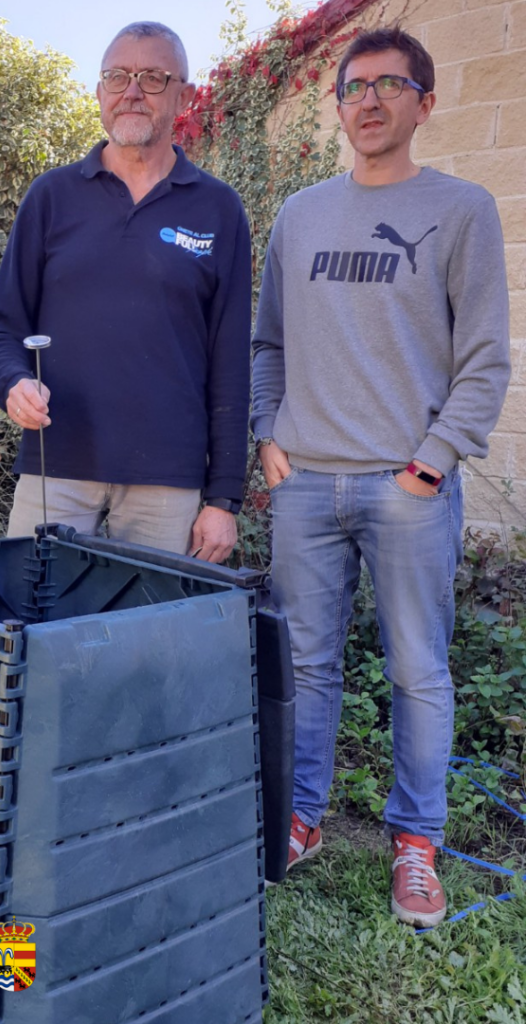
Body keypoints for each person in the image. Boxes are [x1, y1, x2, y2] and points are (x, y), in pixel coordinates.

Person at [251, 27, 510, 927]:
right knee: (308, 667)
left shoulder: (464, 208)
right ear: (340, 106)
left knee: (418, 672)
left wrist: (431, 466)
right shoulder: (300, 215)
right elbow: (268, 344)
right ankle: (303, 819)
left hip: (406, 489)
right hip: (305, 486)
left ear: (424, 104)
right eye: (353, 87)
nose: (367, 101)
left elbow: (484, 360)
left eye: (390, 85)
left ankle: (416, 844)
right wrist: (266, 434)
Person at [0, 22, 251, 561]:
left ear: (184, 96)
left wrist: (223, 498)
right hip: (54, 464)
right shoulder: (51, 197)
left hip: (166, 483)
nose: (132, 91)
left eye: (152, 77)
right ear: (100, 92)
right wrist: (12, 385)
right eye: (117, 76)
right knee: (31, 623)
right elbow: (3, 331)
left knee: (147, 635)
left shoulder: (218, 209)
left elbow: (231, 364)